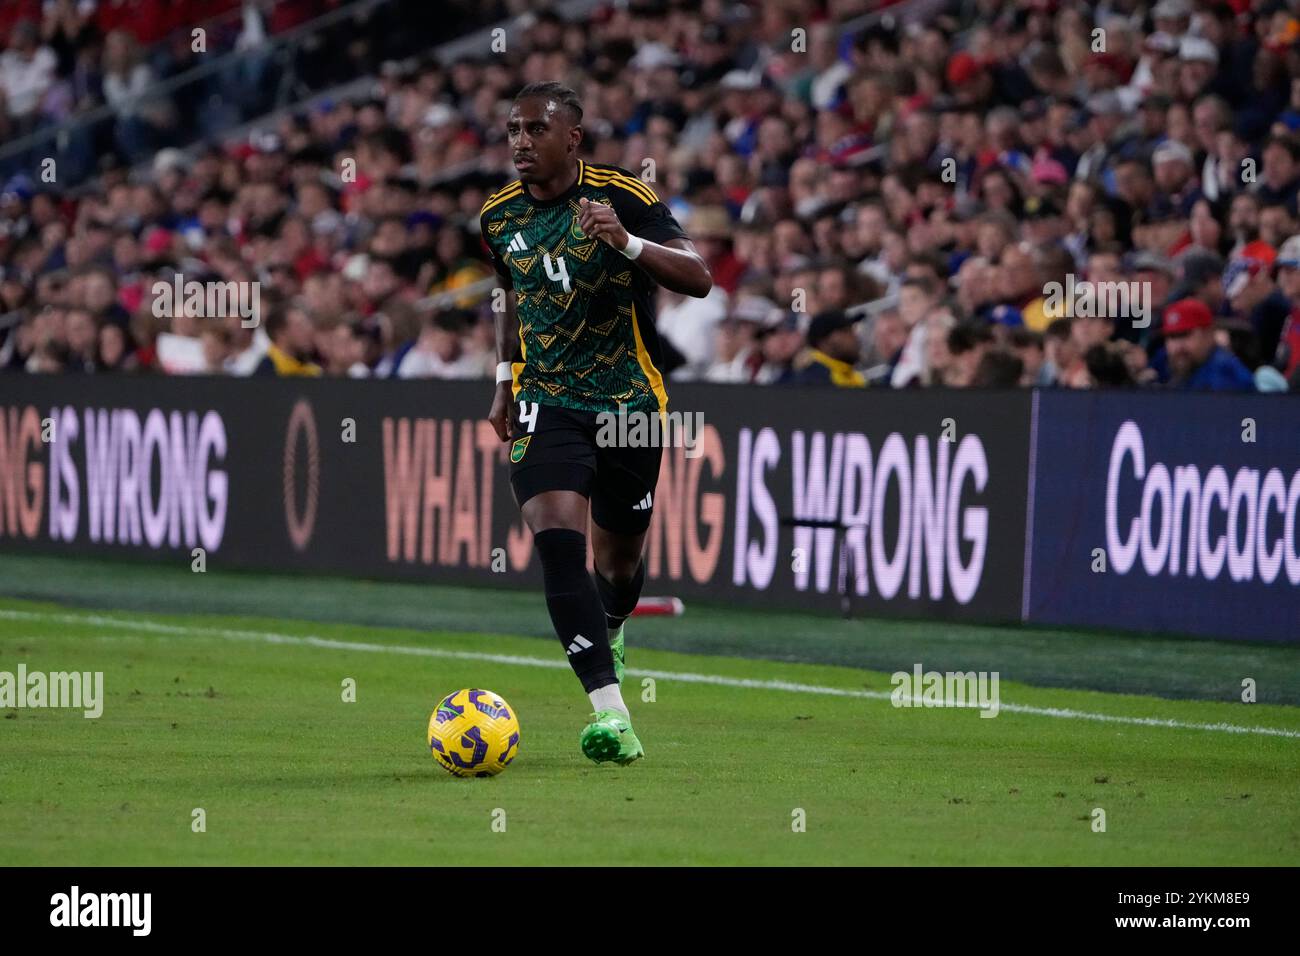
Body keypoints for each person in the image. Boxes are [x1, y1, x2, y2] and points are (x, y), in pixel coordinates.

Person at [481, 82, 711, 766]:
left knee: (620, 563)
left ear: (572, 139)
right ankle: (611, 715)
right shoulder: (497, 216)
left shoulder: (623, 197)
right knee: (558, 544)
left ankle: (611, 624)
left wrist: (629, 243)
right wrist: (502, 378)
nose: (521, 141)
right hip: (545, 400)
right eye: (513, 129)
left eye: (535, 129)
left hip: (630, 408)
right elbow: (510, 292)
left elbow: (699, 277)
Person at [1162, 298, 1255, 391]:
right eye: (1172, 337)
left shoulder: (1224, 372)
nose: (1178, 346)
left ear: (1208, 335)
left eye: (1185, 335)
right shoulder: (1178, 365)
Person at [785, 309, 866, 386]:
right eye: (846, 332)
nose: (855, 337)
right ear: (825, 341)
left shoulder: (854, 376)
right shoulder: (811, 382)